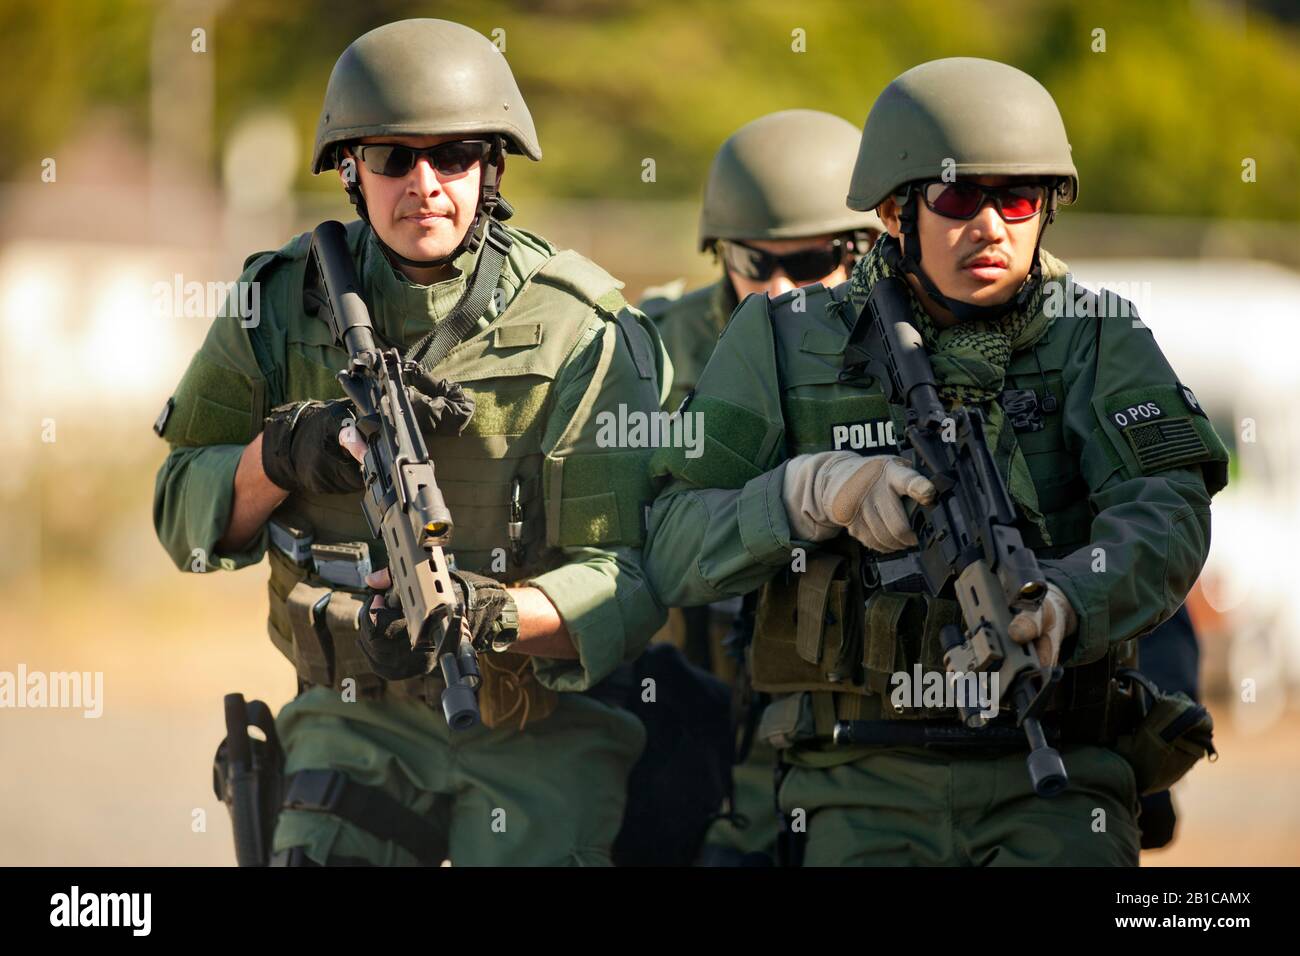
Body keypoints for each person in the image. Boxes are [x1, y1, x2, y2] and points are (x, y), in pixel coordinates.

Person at [643, 57, 1228, 866]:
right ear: (893, 208)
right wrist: (805, 495)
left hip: (1056, 773)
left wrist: (1067, 600)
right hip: (856, 776)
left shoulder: (1098, 336)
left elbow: (1168, 509)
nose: (991, 226)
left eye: (1017, 198)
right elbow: (671, 543)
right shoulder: (783, 341)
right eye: (958, 197)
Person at [153, 18, 668, 866]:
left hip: (534, 725)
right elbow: (182, 519)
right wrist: (277, 459)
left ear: (492, 168)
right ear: (351, 169)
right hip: (353, 715)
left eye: (456, 155)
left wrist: (487, 612)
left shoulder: (581, 328)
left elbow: (628, 579)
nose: (425, 184)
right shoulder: (278, 306)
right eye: (394, 157)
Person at [640, 110, 883, 866]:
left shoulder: (913, 349)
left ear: (866, 250)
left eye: (812, 263)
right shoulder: (648, 350)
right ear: (719, 252)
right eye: (754, 259)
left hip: (868, 730)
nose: (779, 289)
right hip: (697, 719)